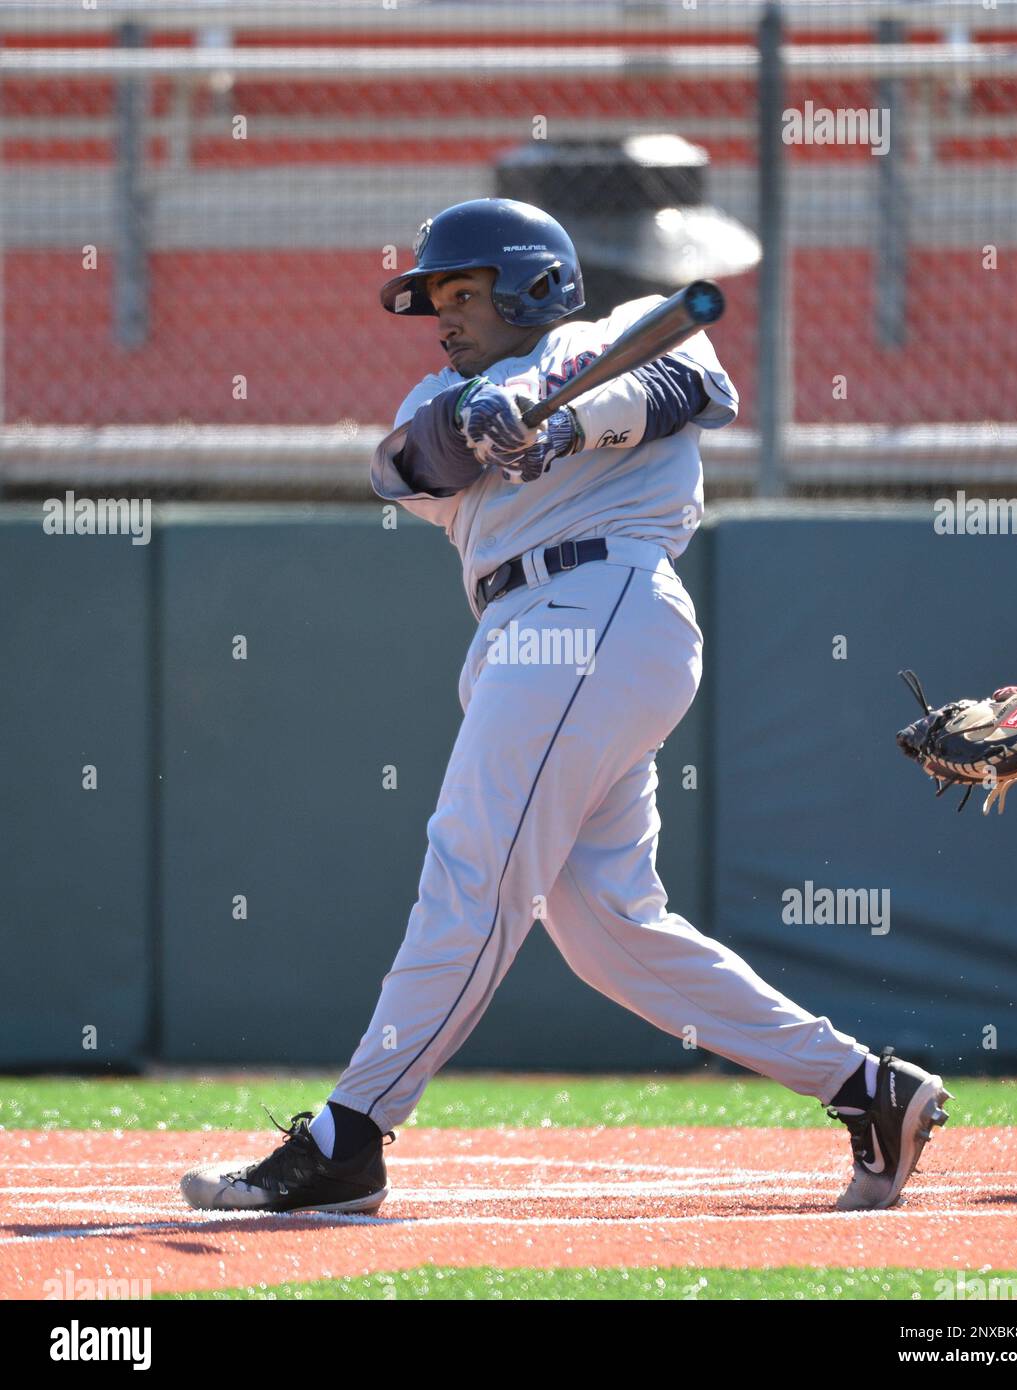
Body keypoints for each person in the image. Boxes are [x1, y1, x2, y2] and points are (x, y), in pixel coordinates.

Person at [181, 198, 950, 1218]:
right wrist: (481, 422)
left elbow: (695, 376)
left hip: (600, 603)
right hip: (534, 636)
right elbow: (402, 463)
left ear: (531, 284)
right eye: (436, 297)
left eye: (465, 291)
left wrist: (565, 419)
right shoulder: (439, 392)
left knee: (474, 868)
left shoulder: (604, 343)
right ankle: (869, 1088)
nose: (445, 314)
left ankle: (349, 1134)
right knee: (609, 930)